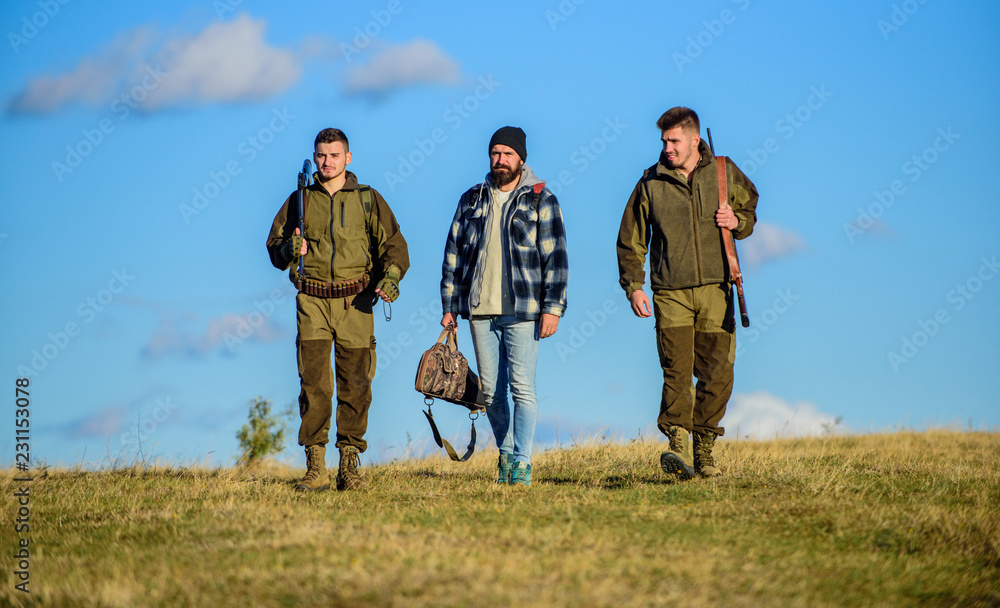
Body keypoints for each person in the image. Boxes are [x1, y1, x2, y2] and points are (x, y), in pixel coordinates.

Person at [616, 107, 758, 480]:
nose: (667, 148)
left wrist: (737, 221)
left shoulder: (725, 172)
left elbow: (750, 207)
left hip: (717, 289)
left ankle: (705, 448)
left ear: (695, 140)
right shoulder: (650, 181)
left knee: (717, 375)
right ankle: (677, 446)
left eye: (674, 141)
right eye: (664, 141)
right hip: (670, 292)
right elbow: (631, 240)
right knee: (676, 371)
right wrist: (634, 286)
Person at [266, 128, 409, 491]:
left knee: (356, 384)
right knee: (314, 384)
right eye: (320, 155)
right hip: (311, 301)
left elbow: (394, 246)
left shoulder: (367, 199)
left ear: (348, 157)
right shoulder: (300, 199)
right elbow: (274, 248)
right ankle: (316, 467)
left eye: (334, 155)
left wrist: (391, 278)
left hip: (356, 303)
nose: (326, 162)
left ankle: (349, 465)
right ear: (314, 157)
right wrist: (288, 249)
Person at [440, 126, 568, 487]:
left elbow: (555, 257)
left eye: (507, 154)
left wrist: (552, 308)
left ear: (521, 158)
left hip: (525, 310)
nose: (500, 160)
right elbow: (453, 254)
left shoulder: (541, 199)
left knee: (522, 388)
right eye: (495, 153)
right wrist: (450, 305)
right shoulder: (472, 199)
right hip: (479, 309)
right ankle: (507, 453)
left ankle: (523, 464)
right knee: (492, 393)